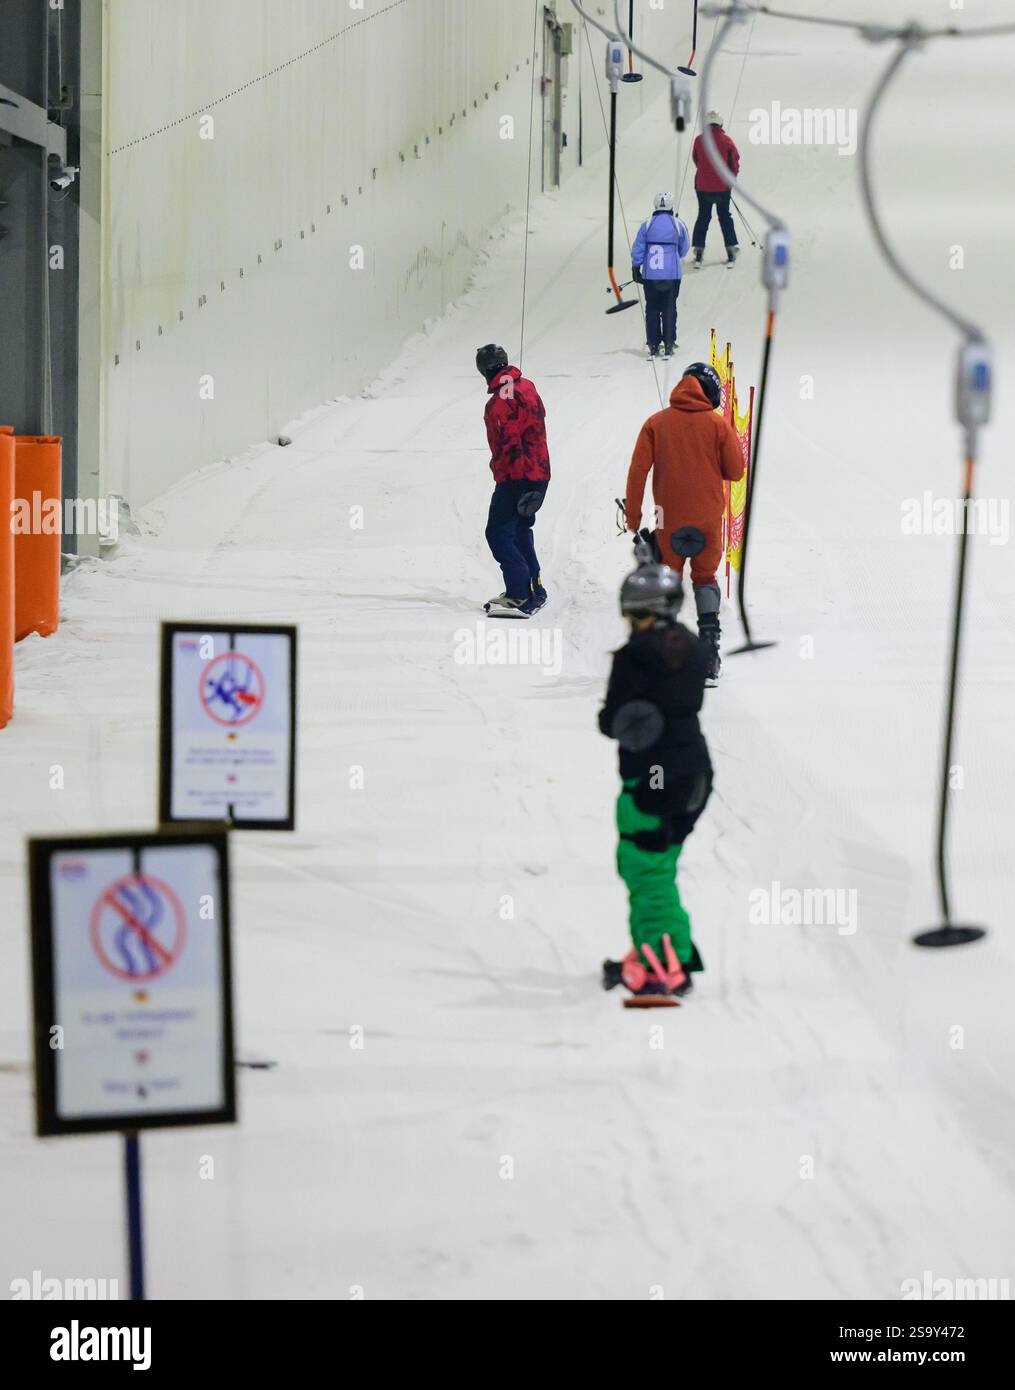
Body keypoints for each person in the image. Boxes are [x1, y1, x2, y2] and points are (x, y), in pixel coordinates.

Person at [599, 553, 712, 999]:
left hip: (654, 780)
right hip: (693, 774)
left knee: (645, 870)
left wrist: (623, 721)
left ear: (640, 612)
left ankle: (664, 967)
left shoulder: (634, 657)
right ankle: (663, 951)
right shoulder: (694, 645)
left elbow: (612, 720)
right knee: (658, 869)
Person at [623, 362, 744, 682]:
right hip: (707, 520)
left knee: (668, 581)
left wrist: (633, 518)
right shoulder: (718, 426)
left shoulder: (656, 423)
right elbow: (735, 471)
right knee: (705, 578)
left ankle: (665, 653)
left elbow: (638, 471)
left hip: (669, 521)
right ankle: (708, 654)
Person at [476, 344, 551, 616]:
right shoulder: (527, 386)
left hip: (516, 476)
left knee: (498, 533)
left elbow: (508, 442)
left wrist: (505, 473)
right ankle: (534, 588)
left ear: (485, 371)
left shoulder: (498, 403)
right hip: (538, 474)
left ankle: (520, 595)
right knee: (520, 530)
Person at [630, 192, 690, 359]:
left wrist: (636, 266)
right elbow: (684, 248)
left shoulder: (647, 225)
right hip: (672, 275)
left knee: (652, 308)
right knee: (670, 307)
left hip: (651, 275)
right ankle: (669, 343)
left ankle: (654, 344)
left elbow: (639, 247)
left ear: (655, 205)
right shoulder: (678, 224)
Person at [691, 111, 741, 266]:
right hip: (722, 187)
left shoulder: (699, 140)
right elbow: (735, 163)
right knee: (725, 216)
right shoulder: (727, 141)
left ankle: (698, 251)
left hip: (702, 186)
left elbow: (696, 159)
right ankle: (731, 249)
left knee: (703, 217)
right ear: (720, 124)